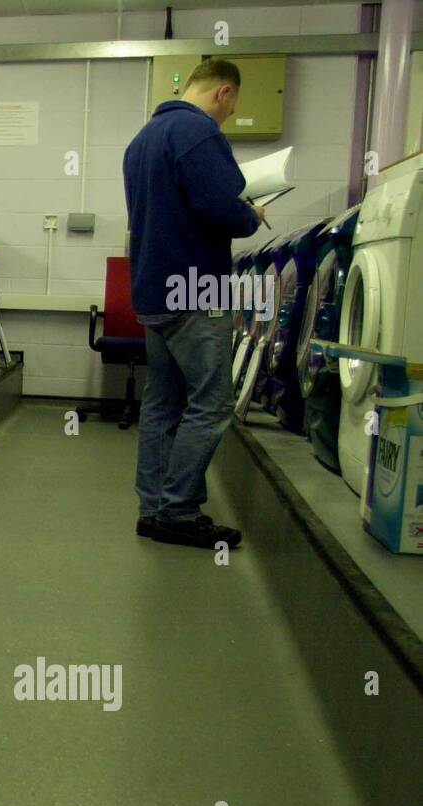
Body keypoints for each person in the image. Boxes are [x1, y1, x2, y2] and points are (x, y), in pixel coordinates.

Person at [123, 58, 263, 550]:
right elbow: (222, 208)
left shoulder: (141, 141)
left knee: (163, 403)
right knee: (211, 403)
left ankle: (154, 509)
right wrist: (252, 214)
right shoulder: (199, 134)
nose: (226, 117)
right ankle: (179, 511)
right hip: (197, 290)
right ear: (224, 92)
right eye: (230, 108)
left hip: (154, 289)